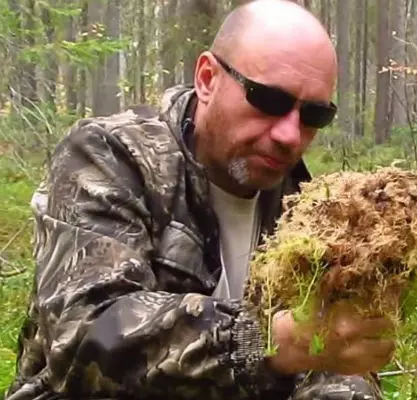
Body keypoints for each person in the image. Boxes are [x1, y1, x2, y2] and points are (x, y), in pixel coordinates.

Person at [4, 1, 396, 399]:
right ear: (207, 78)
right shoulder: (110, 157)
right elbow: (85, 337)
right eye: (268, 100)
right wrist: (267, 341)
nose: (290, 135)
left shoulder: (307, 208)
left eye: (314, 115)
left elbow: (328, 360)